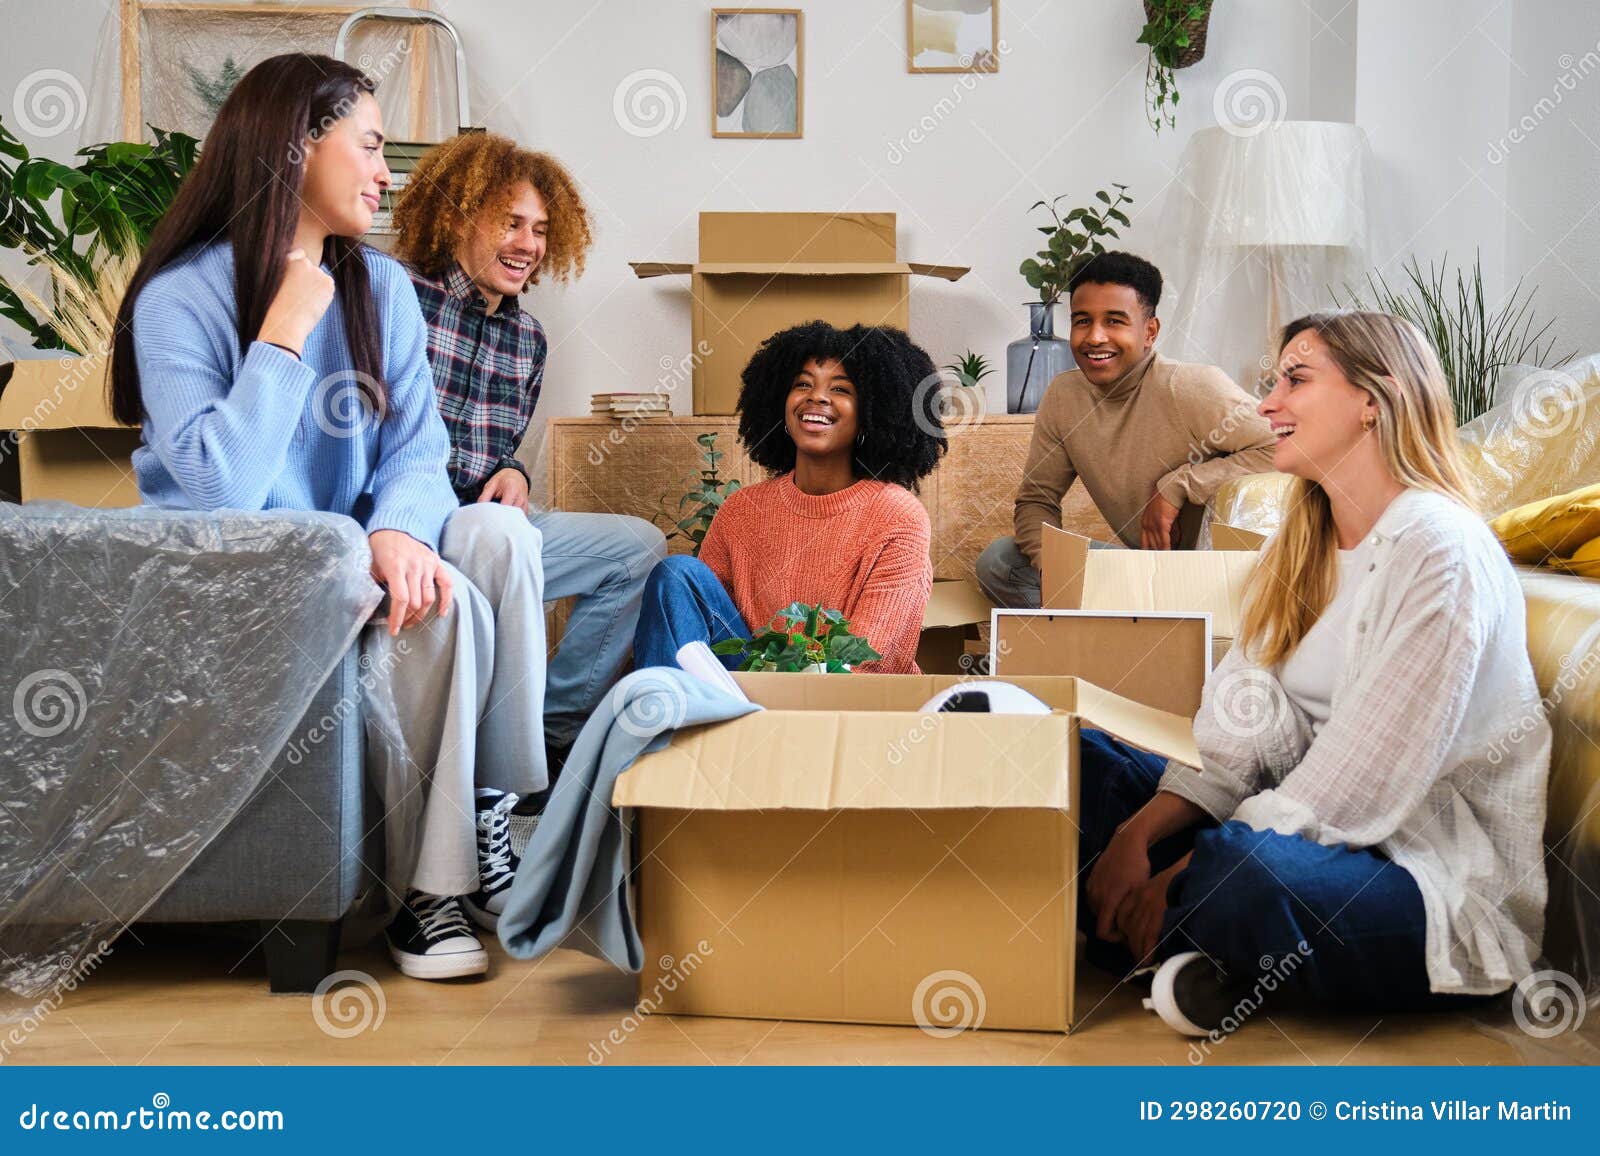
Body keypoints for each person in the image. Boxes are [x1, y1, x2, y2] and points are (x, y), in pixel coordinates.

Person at [111, 54, 548, 981]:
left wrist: (396, 528)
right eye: (372, 145)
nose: (387, 173)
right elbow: (220, 492)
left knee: (462, 567)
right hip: (250, 586)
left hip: (350, 561)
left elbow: (420, 451)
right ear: (297, 147)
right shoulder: (178, 299)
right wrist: (283, 329)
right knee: (446, 605)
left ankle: (459, 854)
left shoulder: (381, 288)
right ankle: (431, 893)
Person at [1076, 310, 1549, 1037]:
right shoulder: (1300, 547)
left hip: (1419, 879)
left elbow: (1364, 778)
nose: (1267, 405)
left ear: (1374, 400)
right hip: (1289, 828)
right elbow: (1233, 739)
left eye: (1295, 380)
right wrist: (1135, 839)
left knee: (1244, 870)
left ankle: (1156, 932)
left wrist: (1180, 870)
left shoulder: (1441, 552)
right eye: (1274, 383)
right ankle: (1185, 945)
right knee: (1078, 767)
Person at [393, 132, 666, 795]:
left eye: (541, 230)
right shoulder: (397, 297)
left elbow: (497, 441)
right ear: (459, 215)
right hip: (407, 527)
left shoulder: (527, 338)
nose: (528, 244)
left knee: (638, 549)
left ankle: (549, 741)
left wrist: (514, 469)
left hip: (493, 527)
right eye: (511, 223)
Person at [633, 322, 945, 674]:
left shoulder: (897, 515)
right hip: (749, 686)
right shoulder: (742, 510)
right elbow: (701, 628)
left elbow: (869, 660)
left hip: (844, 698)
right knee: (677, 575)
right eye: (802, 384)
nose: (817, 397)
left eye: (841, 389)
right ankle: (657, 716)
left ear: (872, 413)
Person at [977, 251, 1277, 608]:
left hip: (1214, 582)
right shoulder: (1064, 397)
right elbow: (1036, 501)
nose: (1095, 337)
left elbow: (1290, 448)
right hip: (1142, 575)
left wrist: (1179, 485)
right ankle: (1106, 645)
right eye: (1083, 321)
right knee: (1001, 562)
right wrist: (1052, 567)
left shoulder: (1190, 386)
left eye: (1115, 321)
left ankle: (1132, 639)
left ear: (1150, 331)